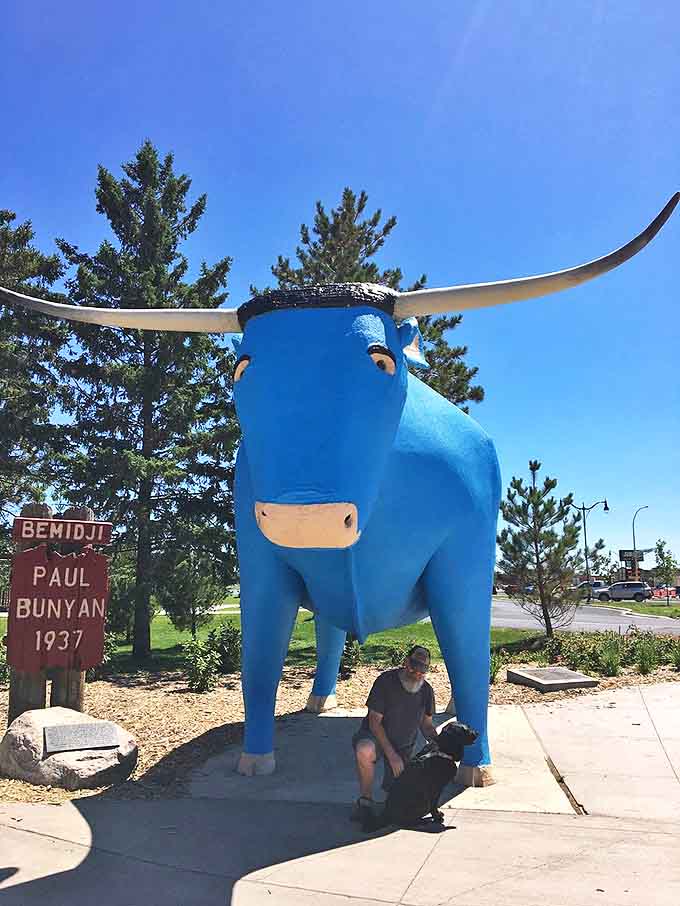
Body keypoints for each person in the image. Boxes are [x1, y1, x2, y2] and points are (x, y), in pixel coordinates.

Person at [351, 645, 437, 823]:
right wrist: (392, 756)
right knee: (364, 750)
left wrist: (440, 744)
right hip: (376, 737)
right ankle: (365, 802)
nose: (418, 674)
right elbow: (375, 722)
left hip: (404, 746)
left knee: (401, 798)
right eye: (415, 667)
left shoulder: (426, 690)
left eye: (423, 670)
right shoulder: (385, 682)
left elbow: (427, 725)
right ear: (406, 663)